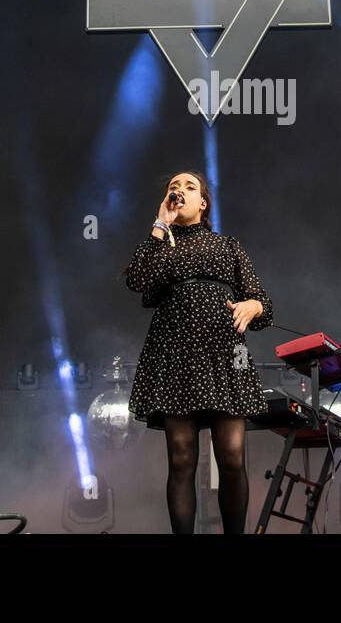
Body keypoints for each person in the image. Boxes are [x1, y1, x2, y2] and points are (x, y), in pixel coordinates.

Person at [124, 170, 274, 534]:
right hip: (176, 352)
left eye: (189, 187)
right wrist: (160, 224)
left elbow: (264, 305)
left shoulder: (228, 245)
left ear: (203, 203)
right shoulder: (162, 245)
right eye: (173, 188)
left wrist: (253, 305)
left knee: (232, 457)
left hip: (225, 353)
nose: (179, 191)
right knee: (181, 459)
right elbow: (136, 281)